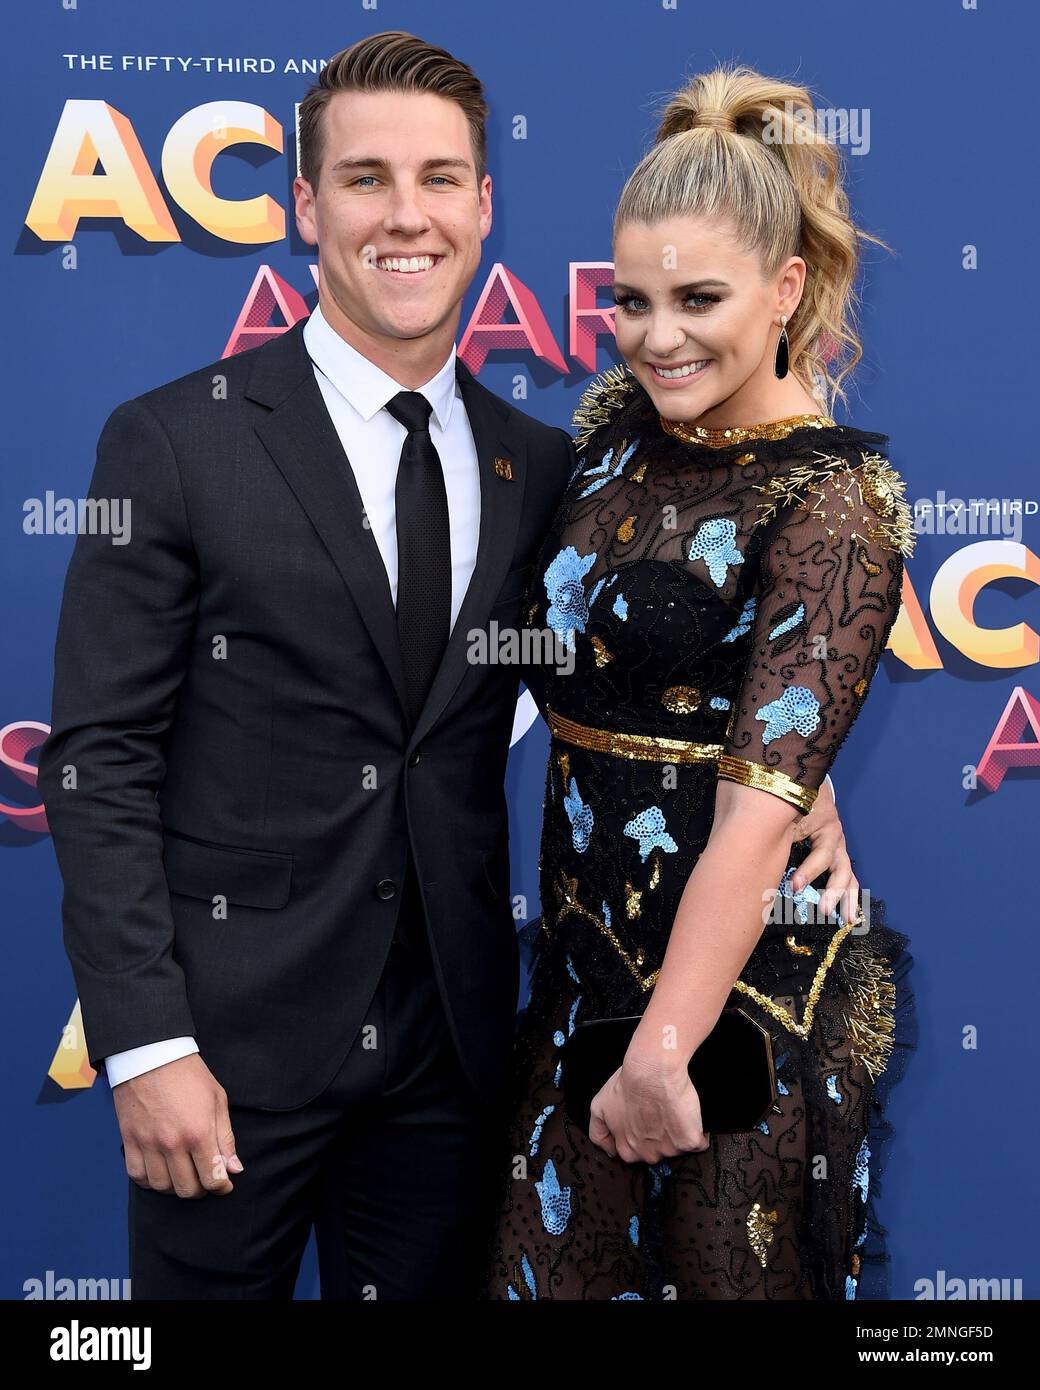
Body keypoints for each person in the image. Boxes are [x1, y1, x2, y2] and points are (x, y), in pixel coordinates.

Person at [38, 32, 852, 1301]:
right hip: (224, 1061)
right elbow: (98, 760)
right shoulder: (171, 443)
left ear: (485, 204)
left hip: (456, 1066)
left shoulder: (549, 465)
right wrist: (146, 1044)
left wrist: (805, 781)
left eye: (438, 179)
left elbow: (669, 643)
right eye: (364, 179)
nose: (404, 216)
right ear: (303, 205)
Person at [487, 63, 917, 1301]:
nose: (655, 335)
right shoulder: (615, 429)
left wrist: (664, 1048)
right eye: (630, 300)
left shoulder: (831, 506)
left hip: (734, 1012)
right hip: (580, 978)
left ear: (785, 289)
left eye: (697, 299)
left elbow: (747, 814)